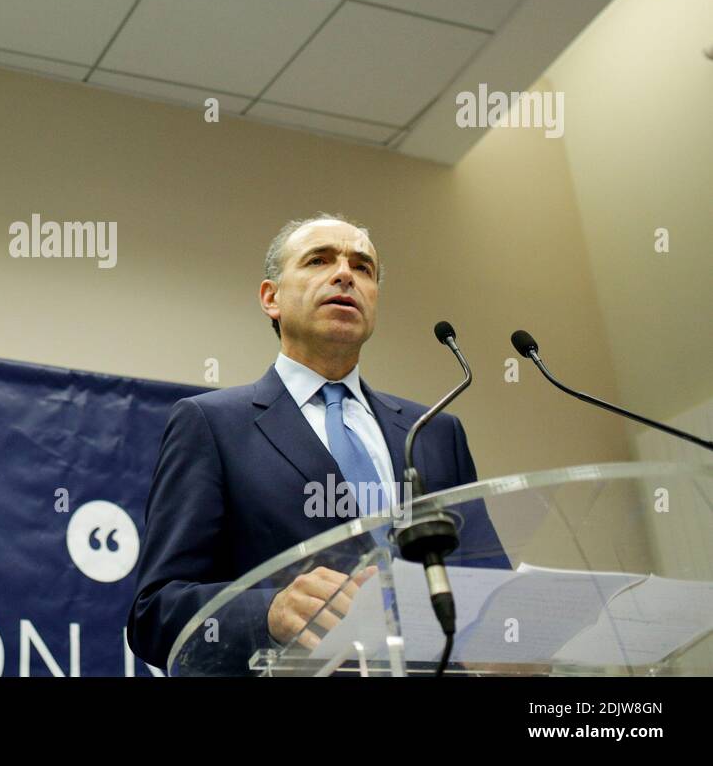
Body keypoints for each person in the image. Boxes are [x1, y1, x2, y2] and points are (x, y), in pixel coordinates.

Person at [127, 214, 506, 671]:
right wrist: (268, 612)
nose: (345, 274)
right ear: (272, 299)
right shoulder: (211, 424)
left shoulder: (434, 432)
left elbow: (489, 584)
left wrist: (517, 633)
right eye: (319, 260)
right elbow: (155, 613)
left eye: (363, 268)